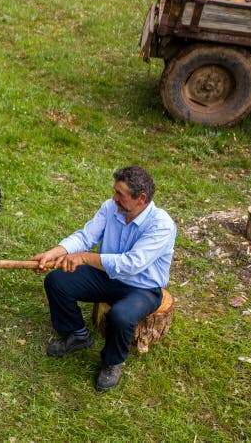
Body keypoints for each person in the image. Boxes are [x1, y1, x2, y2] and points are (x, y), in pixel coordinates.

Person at [30, 166, 176, 392]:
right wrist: (56, 251)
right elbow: (86, 236)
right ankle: (77, 334)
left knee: (120, 316)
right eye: (115, 192)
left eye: (121, 194)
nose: (114, 198)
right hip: (106, 275)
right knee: (56, 281)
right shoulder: (111, 208)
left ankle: (112, 362)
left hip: (142, 288)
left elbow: (131, 264)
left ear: (141, 198)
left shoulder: (161, 225)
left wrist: (86, 258)